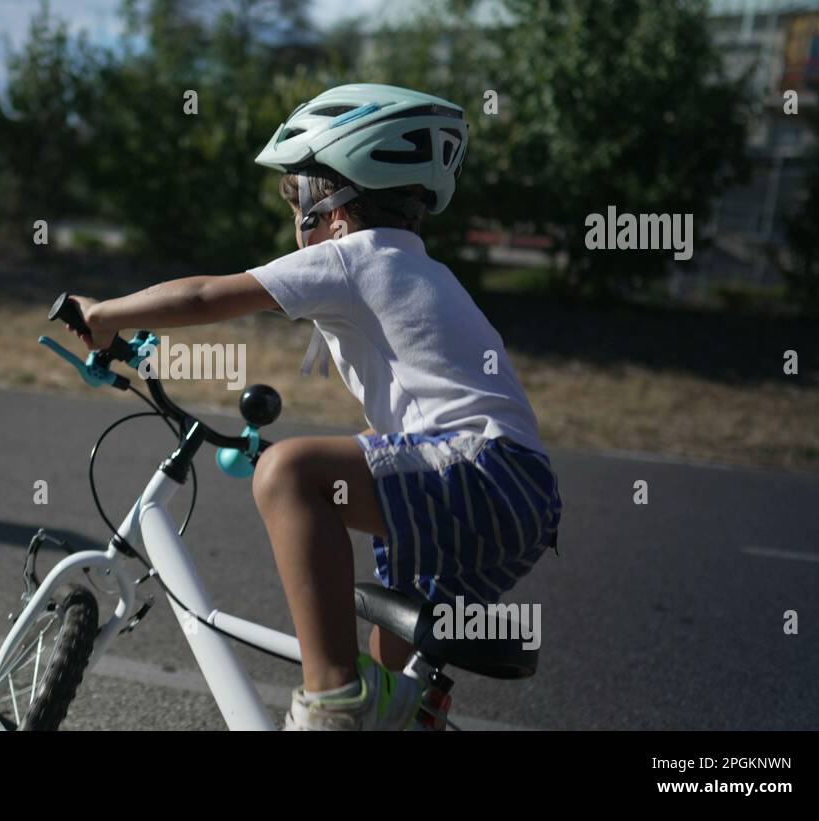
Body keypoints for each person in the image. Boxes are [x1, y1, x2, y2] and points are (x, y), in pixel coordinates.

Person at [67, 84, 562, 730]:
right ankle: (391, 708)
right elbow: (426, 406)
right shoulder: (425, 272)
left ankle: (334, 696)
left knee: (290, 475)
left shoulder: (353, 257)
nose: (293, 215)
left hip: (477, 472)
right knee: (392, 684)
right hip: (516, 494)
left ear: (333, 208)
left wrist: (102, 316)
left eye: (296, 195)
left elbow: (201, 297)